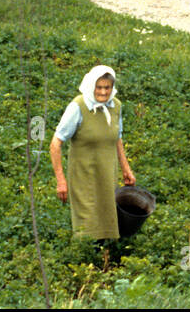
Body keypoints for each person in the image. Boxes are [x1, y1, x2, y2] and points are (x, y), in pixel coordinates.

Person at [50, 65, 136, 250]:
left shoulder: (116, 106)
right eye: (99, 87)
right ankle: (83, 260)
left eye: (107, 87)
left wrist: (126, 169)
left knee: (107, 215)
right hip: (83, 176)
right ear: (91, 85)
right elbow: (55, 144)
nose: (103, 92)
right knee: (87, 222)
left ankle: (103, 262)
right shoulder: (78, 106)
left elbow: (117, 138)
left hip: (106, 173)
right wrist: (61, 181)